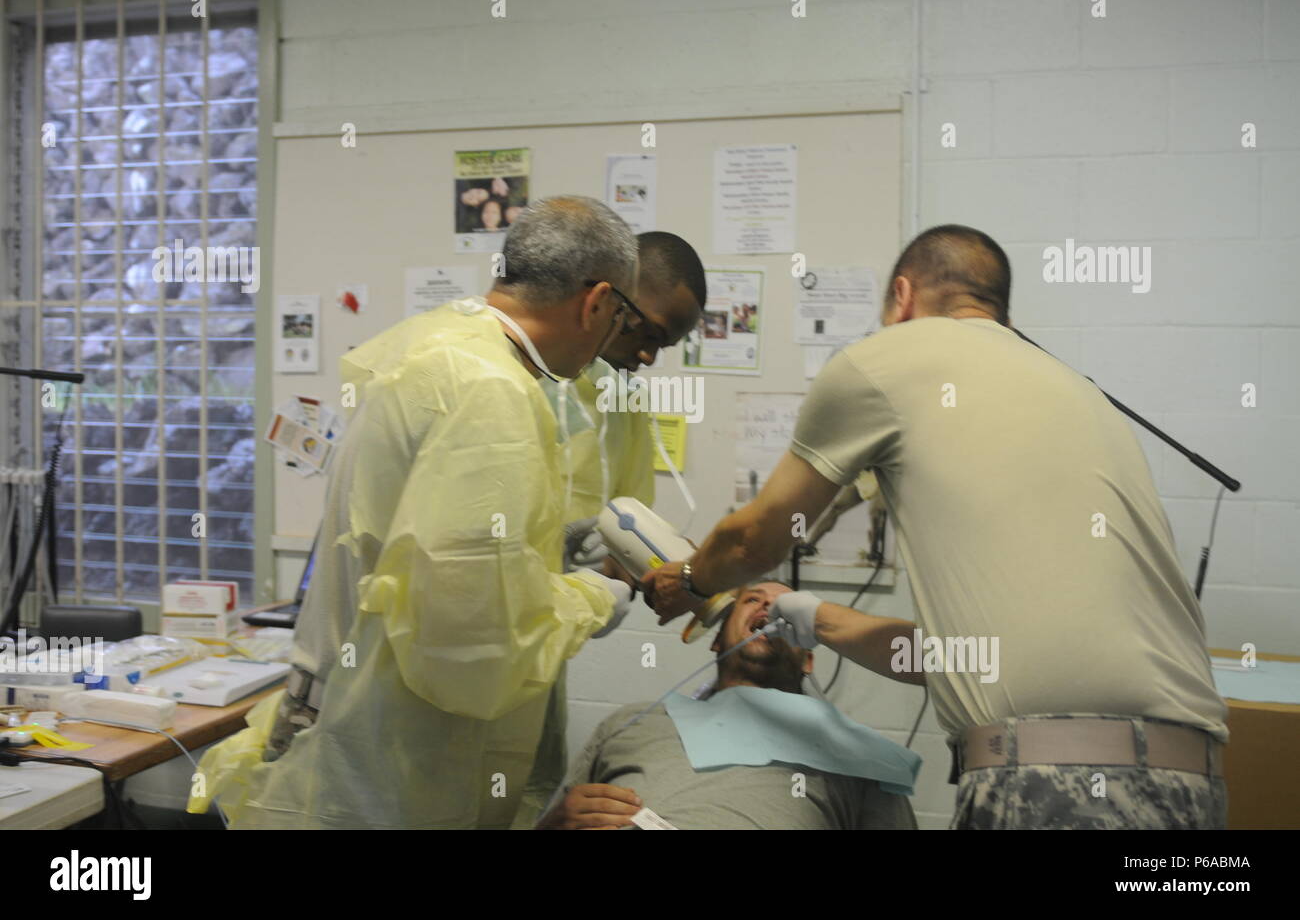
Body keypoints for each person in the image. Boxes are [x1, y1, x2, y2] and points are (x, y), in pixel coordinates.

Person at [644, 224, 1228, 830]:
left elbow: (751, 539)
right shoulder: (1077, 393)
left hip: (1057, 786)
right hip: (1189, 784)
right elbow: (958, 660)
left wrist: (690, 578)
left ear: (902, 297)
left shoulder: (886, 357)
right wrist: (816, 617)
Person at [191, 196, 643, 829]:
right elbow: (468, 641)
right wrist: (592, 597)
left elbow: (422, 546)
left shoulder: (438, 342)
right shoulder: (493, 391)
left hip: (344, 712)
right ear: (596, 303)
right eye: (622, 317)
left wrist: (539, 556)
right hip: (387, 760)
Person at [510, 230, 707, 828]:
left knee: (516, 801)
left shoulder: (623, 409)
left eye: (664, 346)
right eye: (646, 333)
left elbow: (627, 550)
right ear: (607, 296)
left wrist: (671, 575)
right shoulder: (505, 380)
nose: (648, 356)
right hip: (460, 656)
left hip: (535, 666)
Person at [538, 582, 919, 830]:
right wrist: (556, 823)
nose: (770, 608)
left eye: (786, 608)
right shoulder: (634, 722)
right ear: (717, 642)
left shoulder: (859, 757)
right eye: (754, 598)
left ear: (808, 660)